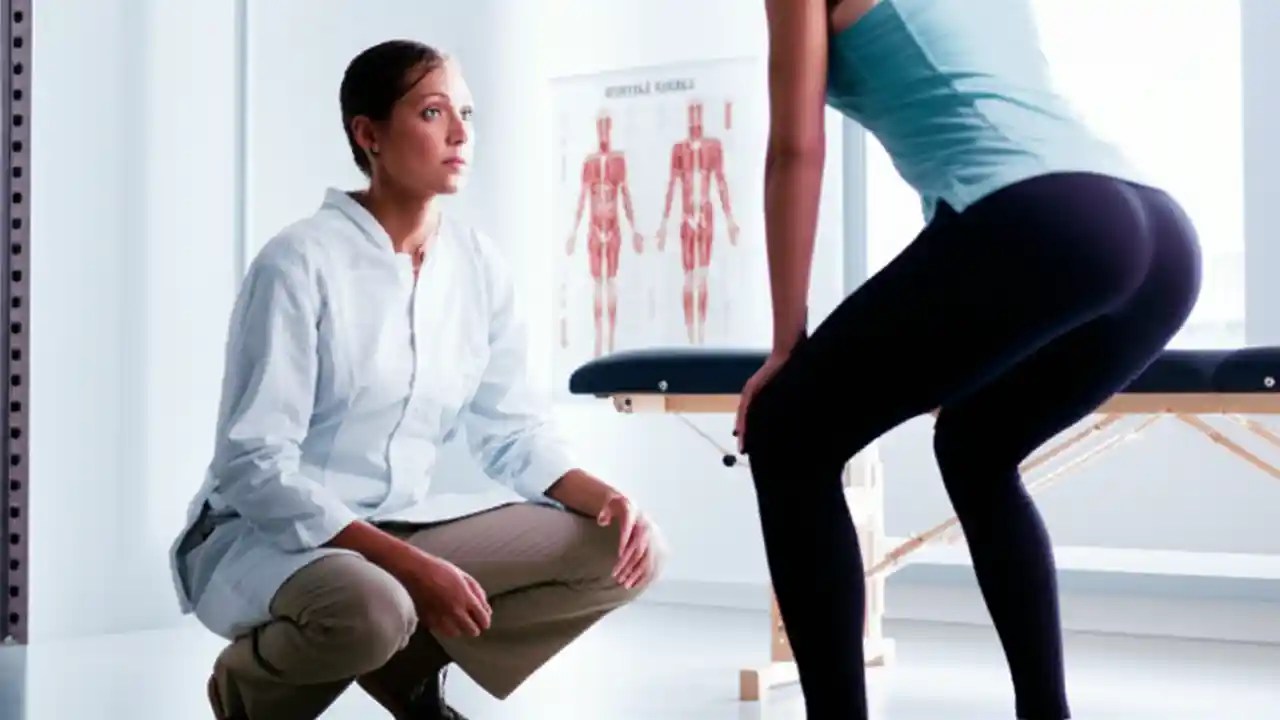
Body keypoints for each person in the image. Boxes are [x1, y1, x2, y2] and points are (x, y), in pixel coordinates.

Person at [168, 40, 666, 720]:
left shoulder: (477, 265)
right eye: (434, 113)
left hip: (400, 525)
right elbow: (255, 467)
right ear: (368, 135)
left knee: (626, 548)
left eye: (465, 112)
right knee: (374, 608)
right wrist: (408, 568)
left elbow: (513, 431)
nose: (461, 133)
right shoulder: (298, 263)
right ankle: (251, 691)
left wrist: (605, 495)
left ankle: (405, 669)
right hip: (267, 536)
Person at [733, 1, 1202, 718]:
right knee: (975, 445)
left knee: (786, 430)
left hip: (1046, 220)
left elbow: (796, 148)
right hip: (1157, 235)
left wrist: (786, 342)